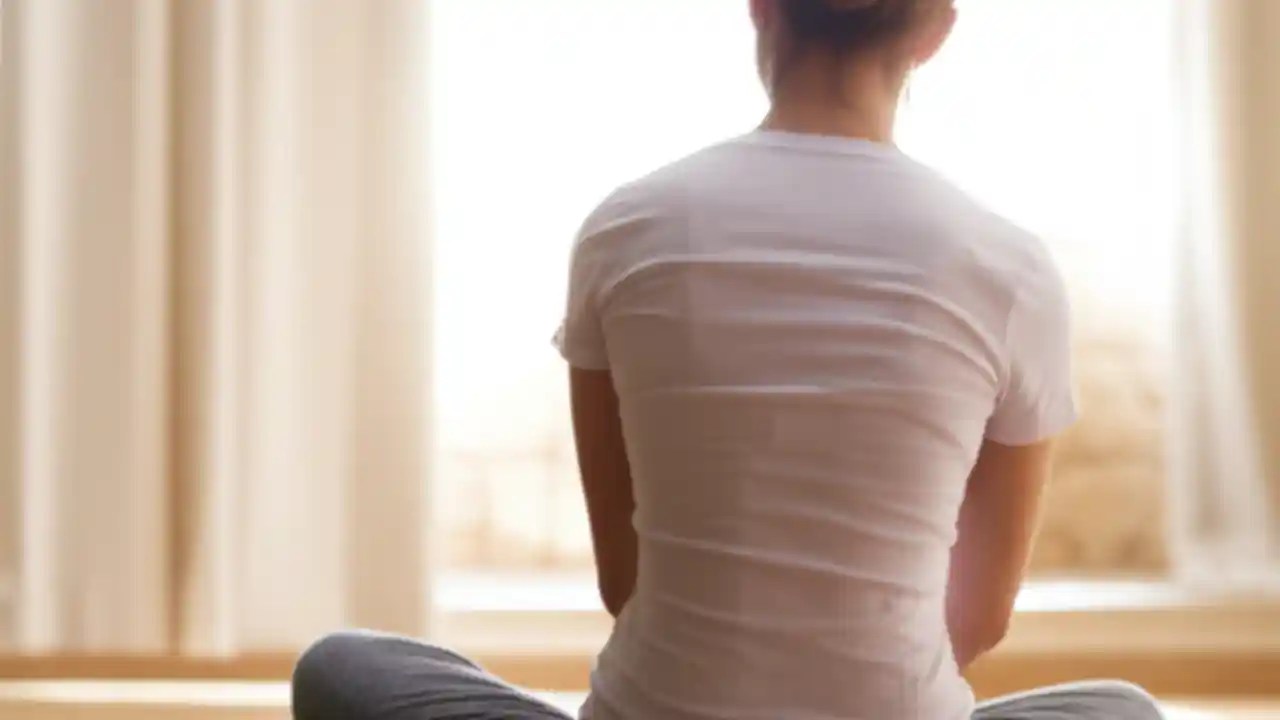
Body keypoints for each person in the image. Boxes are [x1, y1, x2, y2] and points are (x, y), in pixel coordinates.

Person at [292, 0, 1167, 718]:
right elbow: (977, 619)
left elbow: (624, 580)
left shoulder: (626, 228)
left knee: (343, 666)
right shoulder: (1009, 266)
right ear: (936, 27)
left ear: (761, 10)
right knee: (1120, 711)